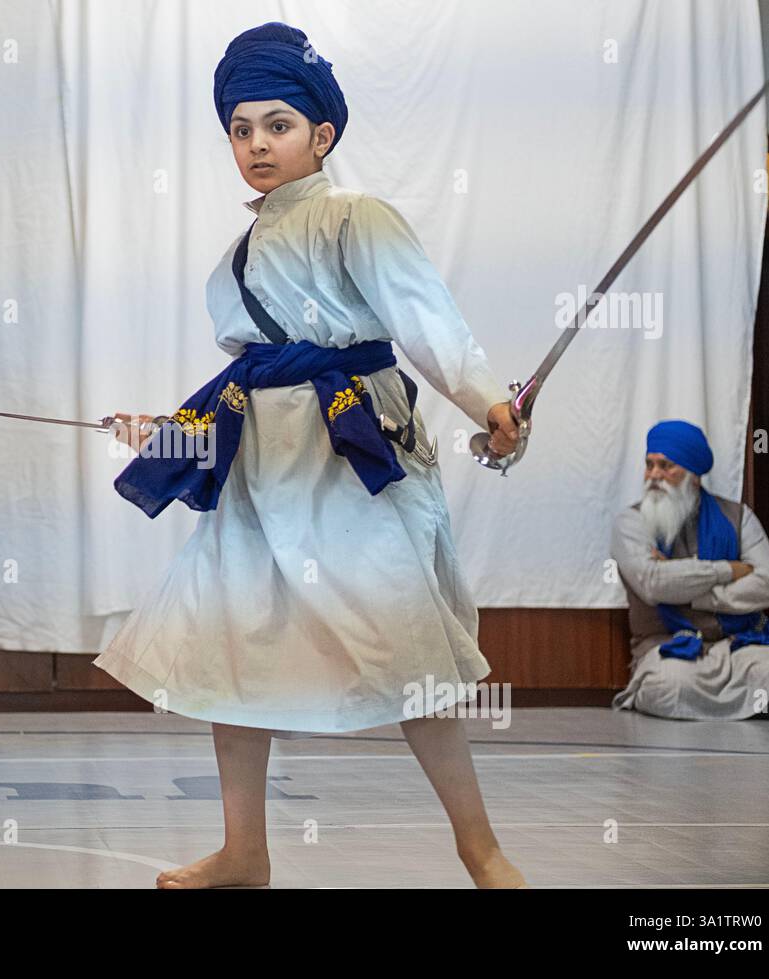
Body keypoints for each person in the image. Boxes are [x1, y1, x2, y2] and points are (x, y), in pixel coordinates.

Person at [93, 21, 526, 888]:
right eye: (241, 129)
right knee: (230, 653)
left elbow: (424, 319)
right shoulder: (235, 258)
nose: (257, 143)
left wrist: (486, 402)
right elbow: (250, 383)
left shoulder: (353, 216)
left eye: (278, 125)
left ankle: (482, 850)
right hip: (260, 476)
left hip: (350, 454)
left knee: (409, 651)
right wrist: (166, 430)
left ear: (322, 134)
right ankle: (244, 854)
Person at [611, 420, 769, 720]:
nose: (654, 475)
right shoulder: (631, 522)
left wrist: (691, 593)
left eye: (666, 466)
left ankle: (718, 708)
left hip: (739, 645)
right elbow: (652, 585)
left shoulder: (738, 517)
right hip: (668, 646)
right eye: (649, 465)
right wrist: (728, 570)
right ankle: (739, 708)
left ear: (693, 475)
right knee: (670, 686)